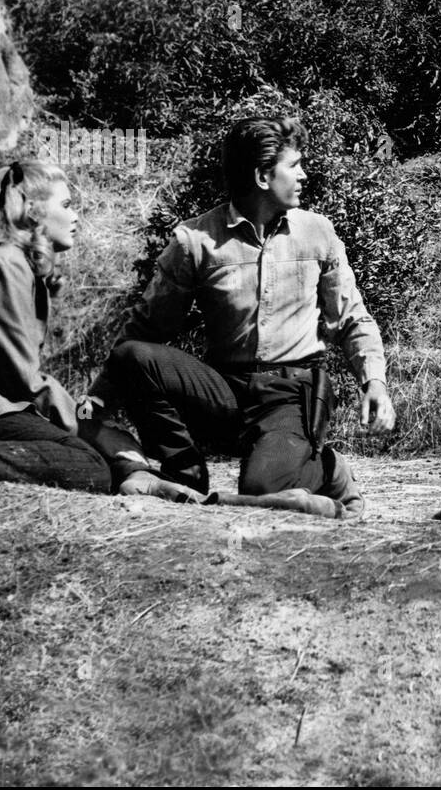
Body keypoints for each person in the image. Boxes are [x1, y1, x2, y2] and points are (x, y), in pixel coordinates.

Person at [82, 117, 395, 515]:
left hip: (292, 392)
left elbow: (352, 318)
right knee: (134, 356)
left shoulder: (318, 233)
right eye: (294, 165)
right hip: (225, 391)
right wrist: (99, 398)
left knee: (262, 490)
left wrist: (375, 382)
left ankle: (329, 471)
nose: (303, 175)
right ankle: (185, 476)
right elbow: (146, 327)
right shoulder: (195, 240)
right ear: (264, 176)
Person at [0, 160, 194, 499]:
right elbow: (24, 381)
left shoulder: (11, 262)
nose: (76, 215)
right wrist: (95, 428)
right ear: (33, 212)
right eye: (65, 205)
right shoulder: (5, 263)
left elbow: (19, 380)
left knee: (85, 457)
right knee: (85, 464)